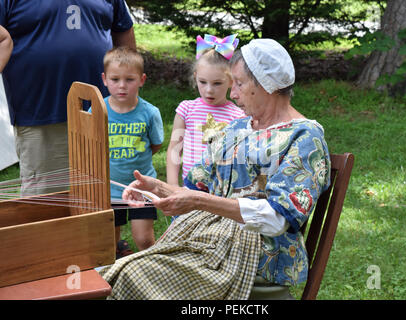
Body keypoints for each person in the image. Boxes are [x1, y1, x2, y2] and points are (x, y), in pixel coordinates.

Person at [100, 39, 331, 300]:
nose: (233, 94)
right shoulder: (236, 129)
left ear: (267, 85)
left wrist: (199, 200)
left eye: (240, 84)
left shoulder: (304, 138)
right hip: (208, 241)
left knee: (133, 274)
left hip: (252, 255)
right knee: (115, 272)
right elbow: (195, 188)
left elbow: (276, 218)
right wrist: (156, 188)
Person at [0, 0, 136, 195]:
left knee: (103, 198)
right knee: (47, 204)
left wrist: (129, 88)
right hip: (41, 115)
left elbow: (123, 29)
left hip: (102, 113)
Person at [97, 46, 164, 257]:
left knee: (144, 239)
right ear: (104, 79)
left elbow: (156, 145)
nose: (122, 86)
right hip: (109, 189)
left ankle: (152, 269)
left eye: (130, 79)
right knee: (108, 241)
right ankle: (114, 271)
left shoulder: (150, 113)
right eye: (115, 79)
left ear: (142, 80)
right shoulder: (98, 111)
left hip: (141, 187)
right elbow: (91, 144)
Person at [166, 34, 245, 187]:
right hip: (189, 190)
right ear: (195, 77)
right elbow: (175, 150)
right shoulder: (186, 110)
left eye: (217, 83)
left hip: (221, 192)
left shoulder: (238, 116)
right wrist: (172, 186)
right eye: (203, 82)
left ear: (231, 81)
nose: (209, 90)